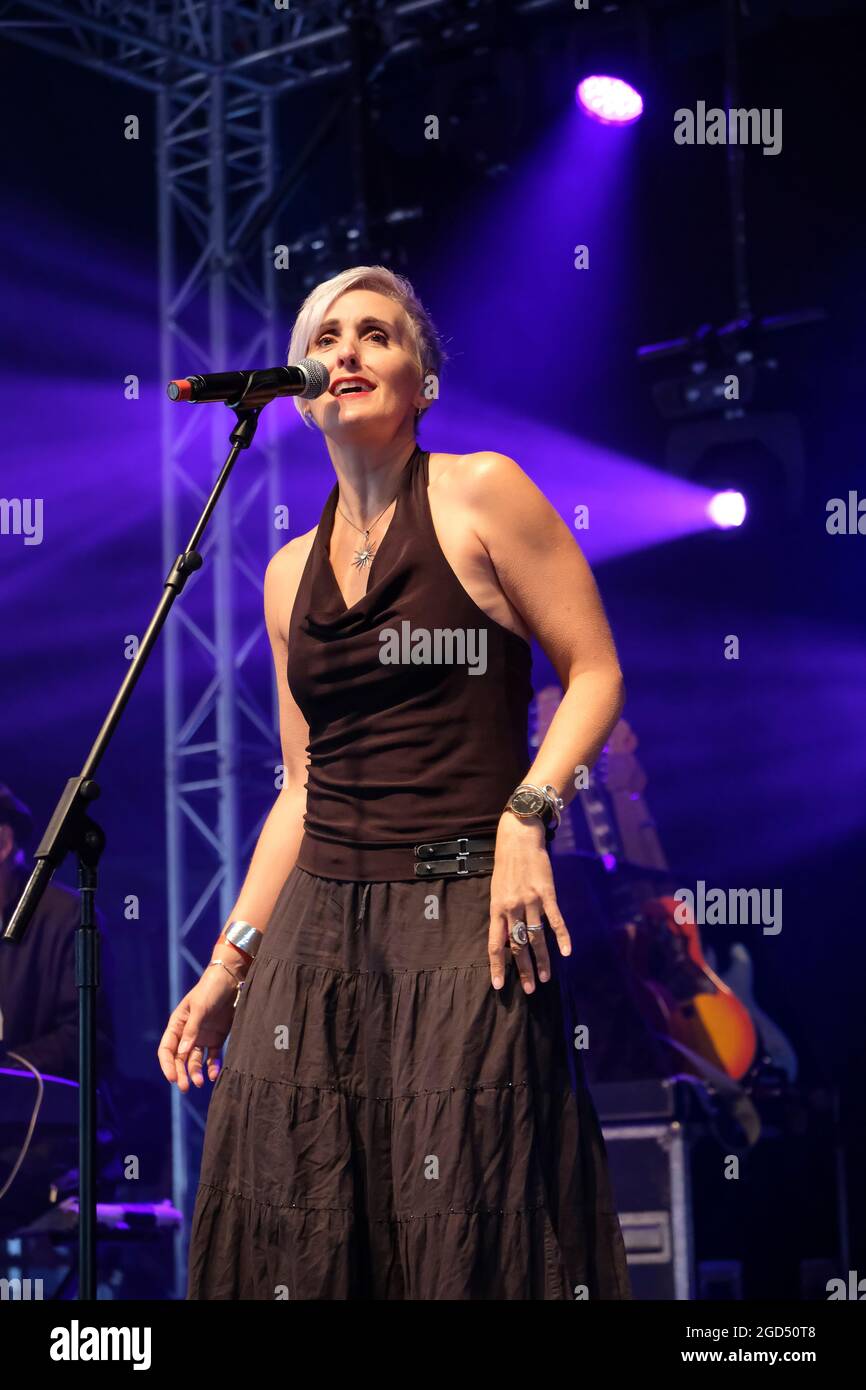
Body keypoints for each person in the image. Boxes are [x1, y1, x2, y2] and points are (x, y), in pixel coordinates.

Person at [159, 265, 633, 1300]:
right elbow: (301, 785)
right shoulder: (287, 572)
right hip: (316, 930)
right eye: (328, 336)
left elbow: (594, 671)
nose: (349, 352)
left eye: (377, 334)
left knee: (462, 1199)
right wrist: (229, 965)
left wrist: (526, 815)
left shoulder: (481, 492)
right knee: (298, 1200)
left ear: (422, 380)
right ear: (299, 385)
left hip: (461, 903)